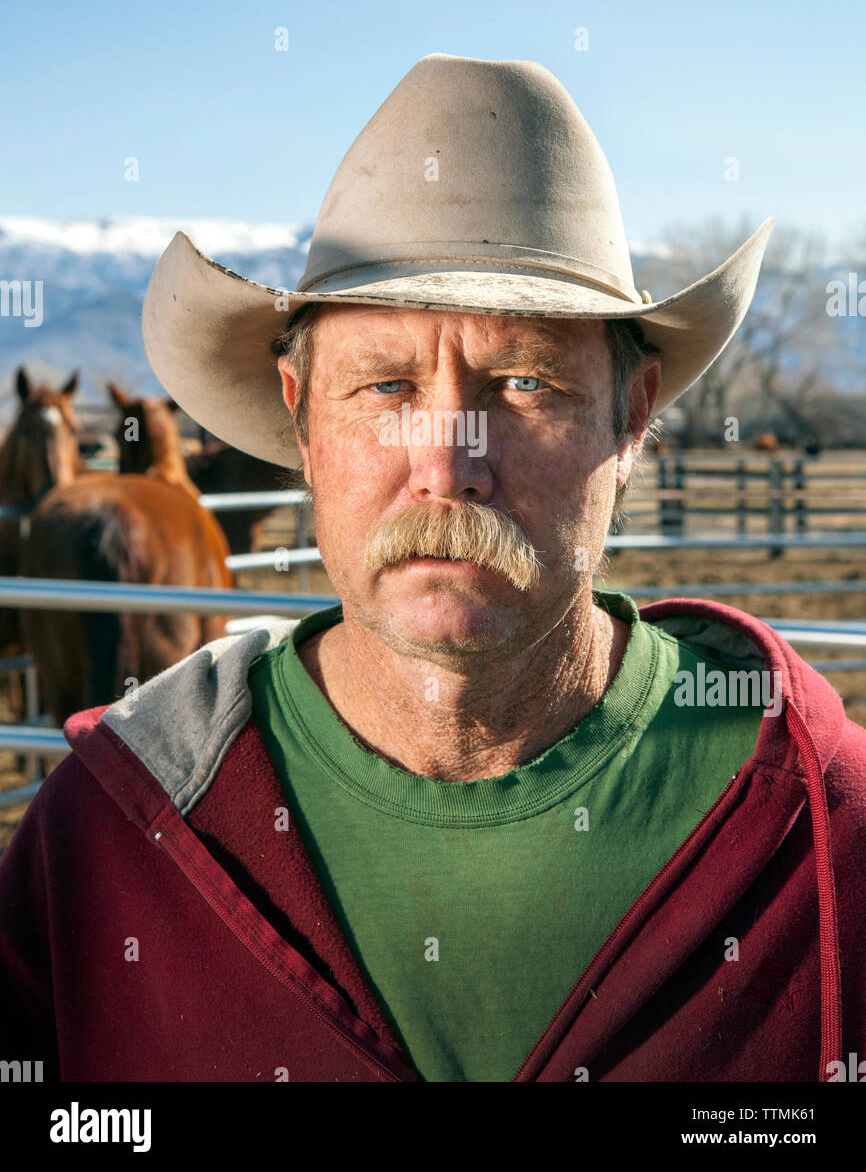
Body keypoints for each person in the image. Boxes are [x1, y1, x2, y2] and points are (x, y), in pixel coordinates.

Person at [1, 54, 863, 1083]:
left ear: (629, 418)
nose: (447, 464)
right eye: (383, 383)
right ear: (299, 413)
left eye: (524, 379)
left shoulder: (821, 838)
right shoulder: (104, 841)